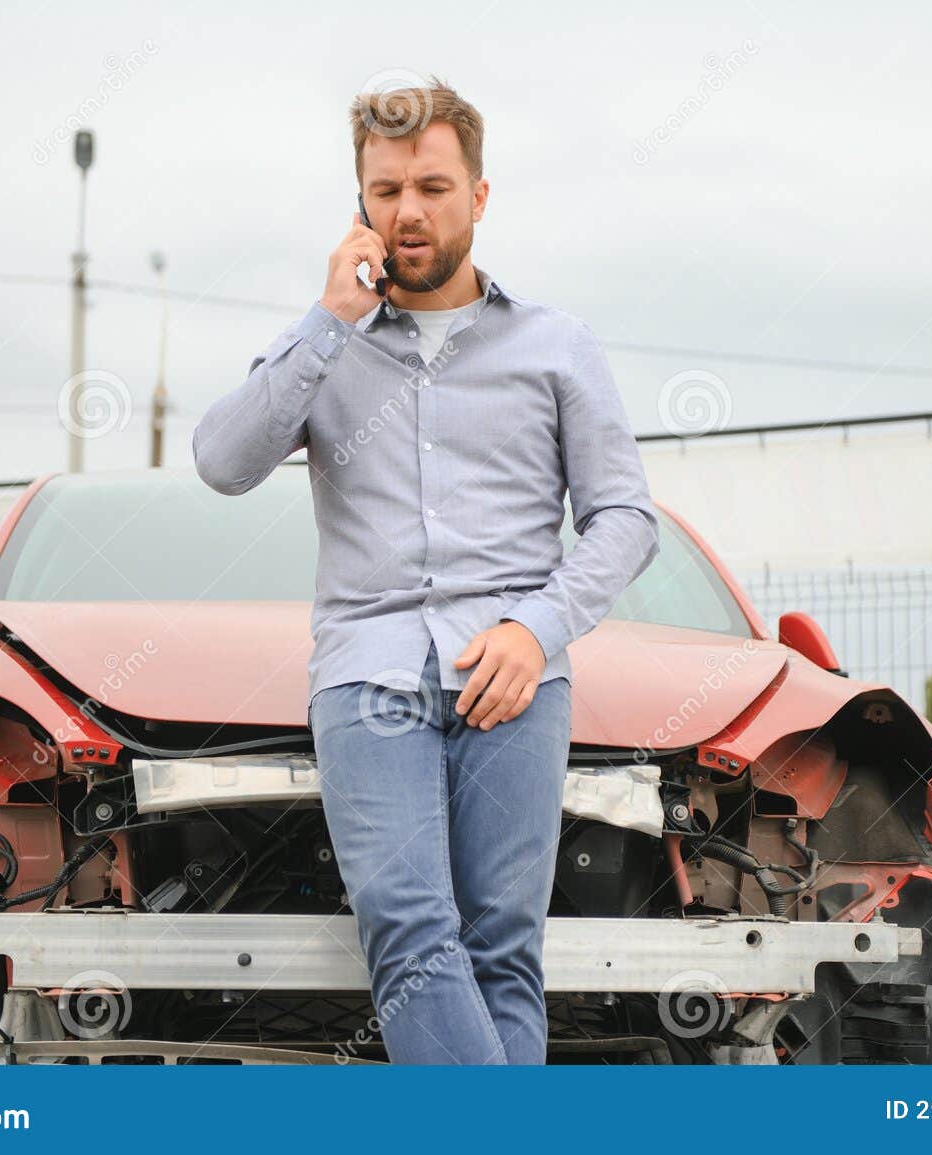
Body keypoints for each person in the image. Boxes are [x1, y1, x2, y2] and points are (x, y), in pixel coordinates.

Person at [190, 76, 659, 1064]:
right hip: (370, 676)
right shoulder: (325, 347)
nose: (408, 211)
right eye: (386, 189)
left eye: (433, 187)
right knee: (407, 928)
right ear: (359, 202)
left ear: (478, 197)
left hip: (515, 679)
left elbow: (623, 520)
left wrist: (539, 629)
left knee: (502, 952)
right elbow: (221, 463)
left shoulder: (556, 346)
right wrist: (324, 317)